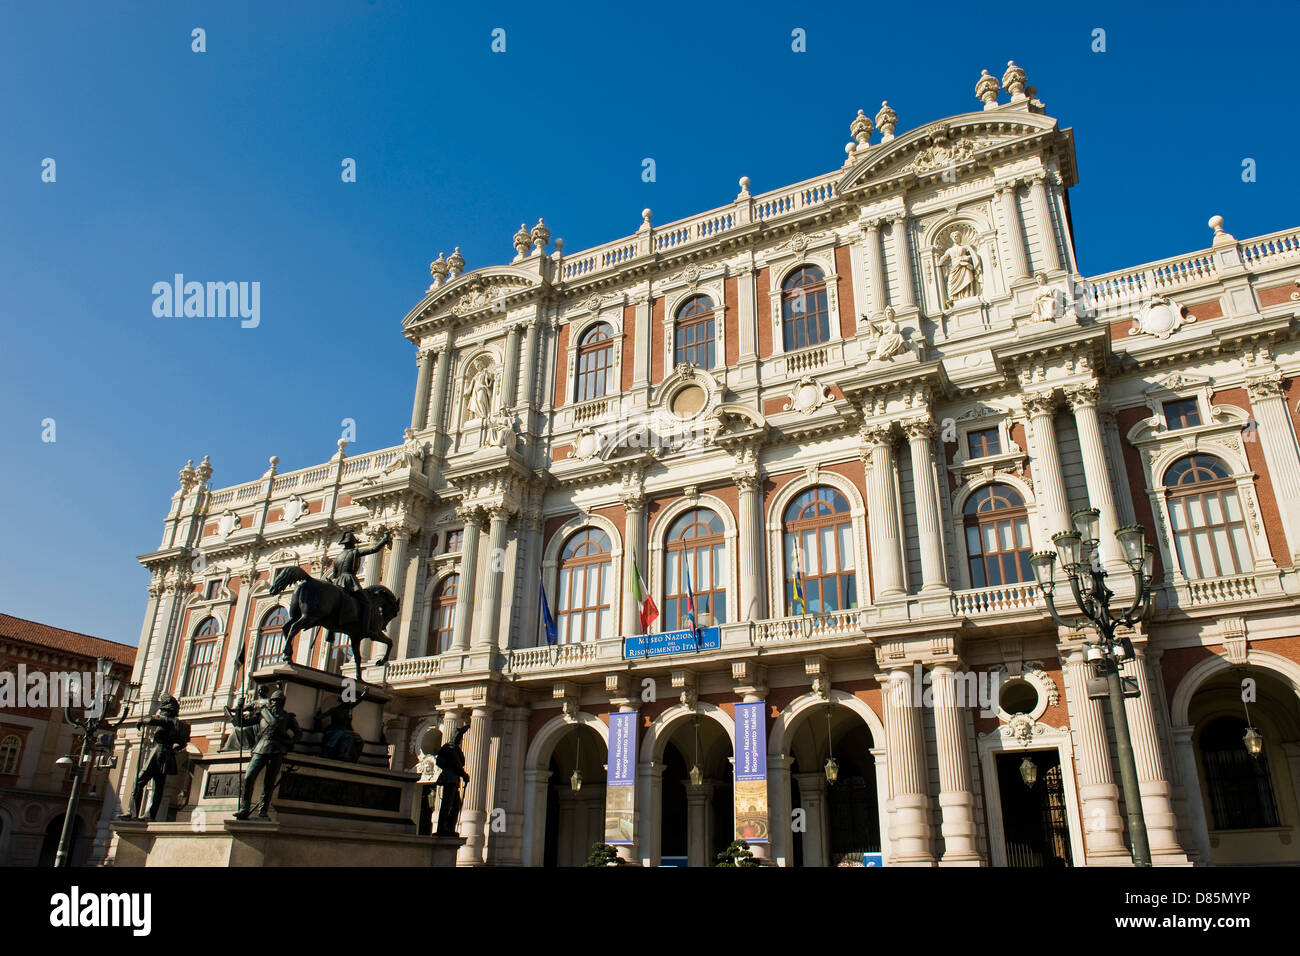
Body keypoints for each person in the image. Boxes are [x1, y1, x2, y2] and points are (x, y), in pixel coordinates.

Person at [229, 688, 300, 819]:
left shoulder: (287, 717)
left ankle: (263, 810)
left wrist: (290, 742)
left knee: (269, 782)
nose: (275, 703)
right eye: (273, 701)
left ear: (283, 702)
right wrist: (239, 707)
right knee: (248, 777)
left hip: (277, 749)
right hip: (260, 748)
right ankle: (244, 808)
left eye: (278, 701)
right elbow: (240, 723)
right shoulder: (262, 714)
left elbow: (298, 733)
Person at [120, 696, 190, 821]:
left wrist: (141, 720)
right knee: (159, 787)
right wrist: (173, 750)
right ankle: (150, 815)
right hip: (167, 756)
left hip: (157, 752)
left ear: (165, 710)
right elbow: (182, 744)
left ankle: (132, 812)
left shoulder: (166, 720)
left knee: (139, 782)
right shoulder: (177, 724)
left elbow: (152, 720)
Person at [324, 529, 391, 639]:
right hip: (350, 580)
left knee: (334, 607)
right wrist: (384, 539)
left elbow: (335, 574)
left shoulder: (338, 557)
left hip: (338, 582)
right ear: (351, 543)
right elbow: (374, 549)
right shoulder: (354, 552)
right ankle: (365, 630)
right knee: (367, 603)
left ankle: (329, 633)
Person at [434, 725, 470, 835]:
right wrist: (464, 775)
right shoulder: (451, 748)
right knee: (448, 804)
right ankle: (442, 828)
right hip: (450, 779)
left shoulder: (452, 748)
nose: (461, 740)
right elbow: (457, 764)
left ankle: (449, 828)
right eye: (460, 737)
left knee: (455, 805)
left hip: (453, 779)